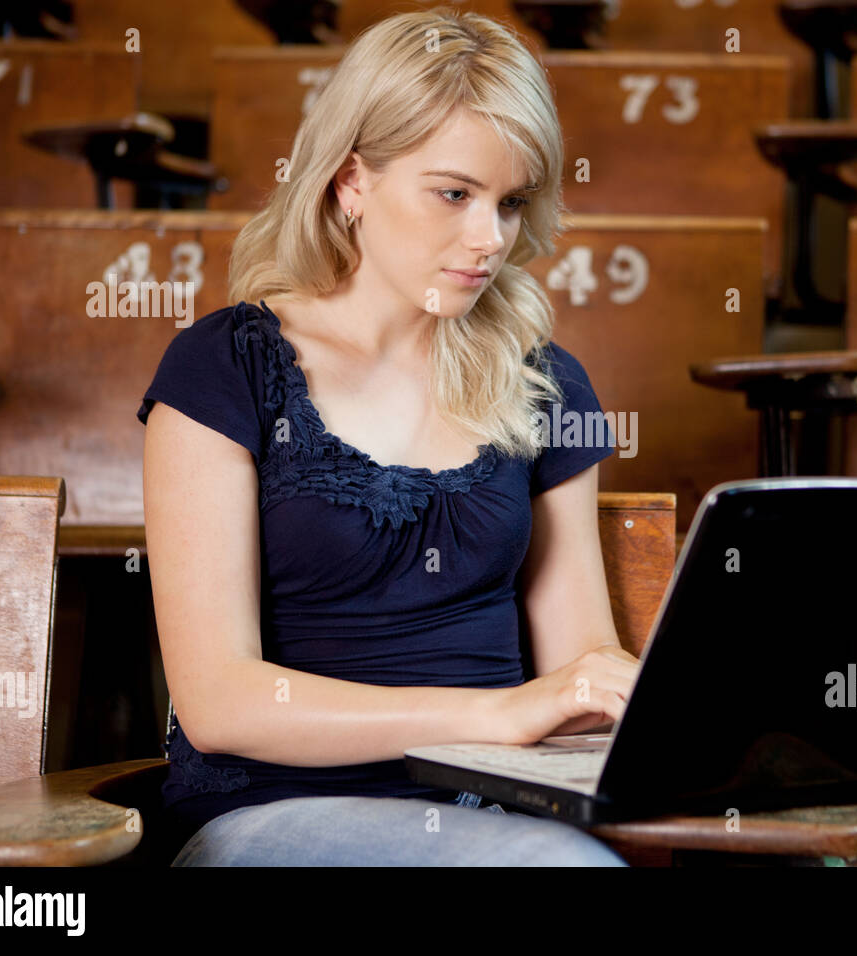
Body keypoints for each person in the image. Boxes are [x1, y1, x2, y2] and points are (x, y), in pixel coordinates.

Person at [137, 6, 638, 866]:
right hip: (272, 816)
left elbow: (580, 664)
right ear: (351, 181)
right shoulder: (224, 367)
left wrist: (627, 691)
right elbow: (219, 701)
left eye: (511, 203)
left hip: (498, 814)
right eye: (453, 193)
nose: (490, 240)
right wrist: (495, 713)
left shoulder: (547, 384)